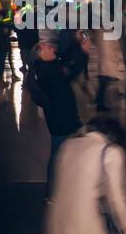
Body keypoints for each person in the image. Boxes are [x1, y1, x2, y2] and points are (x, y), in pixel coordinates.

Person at [44, 116, 126, 234]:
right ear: (114, 137)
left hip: (57, 228)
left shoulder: (68, 145)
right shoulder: (111, 152)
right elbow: (117, 199)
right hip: (85, 231)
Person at [27, 37, 85, 200]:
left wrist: (76, 44)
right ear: (41, 55)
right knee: (59, 155)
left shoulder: (48, 66)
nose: (53, 49)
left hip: (63, 117)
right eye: (48, 48)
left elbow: (67, 62)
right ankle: (53, 192)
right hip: (61, 119)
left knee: (62, 154)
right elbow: (70, 73)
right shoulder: (46, 71)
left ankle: (57, 191)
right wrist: (82, 53)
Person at [92, 21, 126, 112]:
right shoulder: (107, 33)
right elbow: (110, 50)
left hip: (104, 63)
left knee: (103, 83)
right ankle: (100, 103)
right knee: (104, 83)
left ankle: (98, 100)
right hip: (108, 63)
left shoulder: (99, 32)